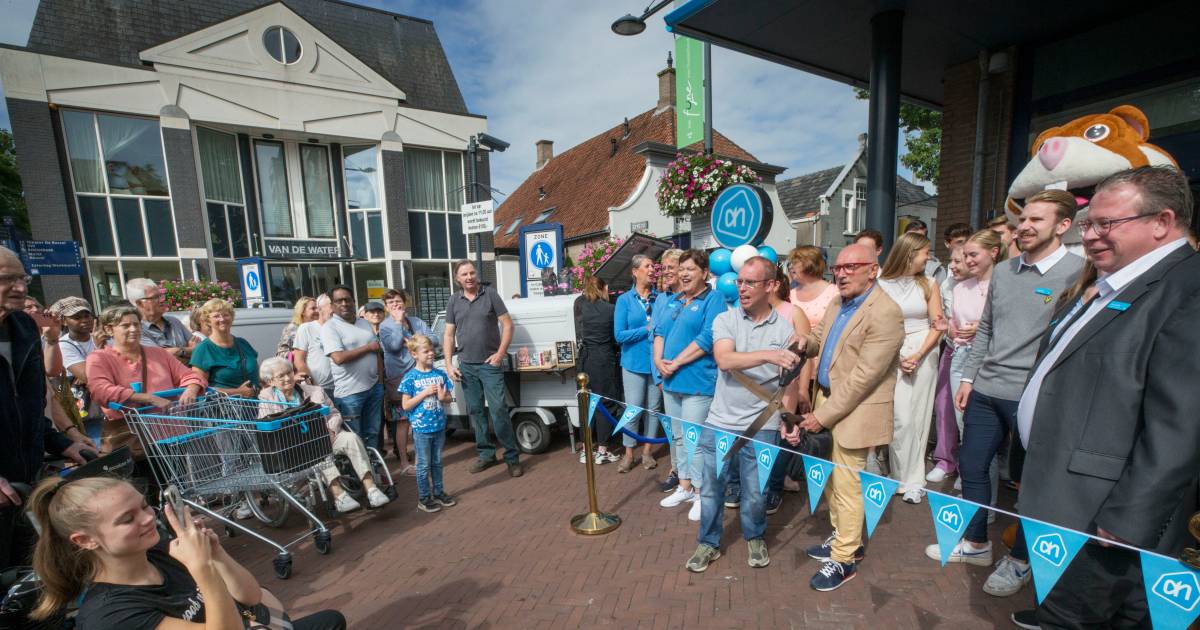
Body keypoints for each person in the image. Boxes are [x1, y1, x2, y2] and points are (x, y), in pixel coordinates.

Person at [1017, 166, 1200, 629]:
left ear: (1162, 222)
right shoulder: (1116, 282)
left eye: (1106, 224)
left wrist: (1127, 521)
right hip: (1068, 502)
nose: (1092, 237)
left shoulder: (1187, 289)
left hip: (1103, 522)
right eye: (1087, 225)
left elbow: (1180, 424)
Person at [929, 189, 1083, 599]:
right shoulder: (1003, 271)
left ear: (1063, 226)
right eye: (1022, 221)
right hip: (985, 389)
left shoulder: (1079, 272)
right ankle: (977, 543)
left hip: (1033, 395)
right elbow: (986, 330)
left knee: (1030, 482)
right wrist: (967, 380)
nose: (1025, 227)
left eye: (1037, 220)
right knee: (973, 466)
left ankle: (1020, 560)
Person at [26, 475, 346, 629]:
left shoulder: (162, 553)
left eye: (144, 506)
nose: (148, 518)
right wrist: (203, 568)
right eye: (128, 519)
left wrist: (216, 552)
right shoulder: (111, 616)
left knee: (330, 620)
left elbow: (252, 596)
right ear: (84, 541)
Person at [791, 243, 904, 592]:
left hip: (853, 409)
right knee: (828, 479)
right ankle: (842, 536)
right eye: (837, 267)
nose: (840, 273)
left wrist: (821, 416)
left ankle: (844, 560)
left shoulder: (885, 312)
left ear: (873, 269)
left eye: (851, 266)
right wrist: (803, 343)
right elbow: (821, 339)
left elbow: (863, 379)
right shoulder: (839, 302)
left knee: (848, 486)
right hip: (826, 396)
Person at [684, 256, 801, 573]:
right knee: (711, 490)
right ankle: (708, 543)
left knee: (755, 492)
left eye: (751, 282)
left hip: (763, 425)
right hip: (719, 423)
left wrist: (789, 419)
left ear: (771, 286)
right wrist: (770, 354)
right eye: (740, 281)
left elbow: (790, 383)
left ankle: (755, 536)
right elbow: (725, 359)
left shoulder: (786, 328)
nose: (743, 288)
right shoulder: (726, 319)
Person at [0, 248, 94, 569]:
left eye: (22, 278)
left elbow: (28, 411)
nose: (20, 287)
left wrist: (65, 443)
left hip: (25, 482)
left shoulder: (23, 329)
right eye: (6, 279)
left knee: (35, 572)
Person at [86, 303, 204, 497]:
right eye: (125, 325)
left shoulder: (157, 354)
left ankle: (172, 524)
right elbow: (101, 391)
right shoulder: (99, 358)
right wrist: (147, 398)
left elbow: (188, 375)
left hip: (169, 433)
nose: (133, 329)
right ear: (109, 329)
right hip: (133, 437)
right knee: (144, 493)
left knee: (174, 491)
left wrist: (191, 388)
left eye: (136, 324)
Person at [257, 357, 389, 513]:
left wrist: (331, 430)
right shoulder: (267, 400)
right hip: (295, 449)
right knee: (317, 450)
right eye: (281, 376)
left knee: (350, 438)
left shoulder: (314, 391)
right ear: (271, 381)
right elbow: (265, 428)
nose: (287, 378)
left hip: (327, 436)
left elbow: (334, 413)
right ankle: (339, 496)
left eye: (289, 373)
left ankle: (371, 489)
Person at [655, 250, 726, 522]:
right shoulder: (674, 300)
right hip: (671, 381)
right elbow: (659, 332)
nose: (683, 274)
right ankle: (684, 485)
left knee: (696, 439)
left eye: (690, 269)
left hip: (697, 382)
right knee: (679, 437)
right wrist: (659, 361)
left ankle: (701, 491)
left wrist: (676, 363)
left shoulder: (714, 298)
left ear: (704, 272)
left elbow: (708, 338)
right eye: (681, 269)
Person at [877, 232, 945, 504]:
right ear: (909, 253)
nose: (928, 257)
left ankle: (914, 480)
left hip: (924, 351)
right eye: (924, 252)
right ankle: (899, 474)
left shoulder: (929, 283)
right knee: (898, 417)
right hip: (891, 351)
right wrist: (895, 355)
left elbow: (938, 325)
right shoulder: (880, 284)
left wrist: (918, 354)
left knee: (918, 416)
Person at [442, 260, 521, 477]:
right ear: (457, 279)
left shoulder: (490, 295)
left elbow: (508, 325)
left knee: (498, 410)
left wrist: (500, 353)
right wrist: (449, 364)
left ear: (476, 274)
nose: (469, 277)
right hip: (466, 365)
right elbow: (449, 335)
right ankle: (486, 455)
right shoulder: (453, 301)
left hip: (489, 365)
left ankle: (512, 457)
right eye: (464, 274)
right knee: (476, 412)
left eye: (471, 272)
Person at [759, 264, 813, 514]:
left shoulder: (794, 312)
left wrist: (803, 390)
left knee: (782, 436)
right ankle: (758, 484)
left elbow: (806, 355)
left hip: (787, 387)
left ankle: (774, 488)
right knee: (760, 437)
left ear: (774, 284)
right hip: (757, 387)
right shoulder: (751, 312)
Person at [321, 285, 385, 451]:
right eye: (339, 301)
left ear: (354, 301)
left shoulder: (364, 323)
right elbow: (338, 358)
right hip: (350, 394)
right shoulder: (330, 327)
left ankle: (375, 471)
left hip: (374, 388)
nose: (344, 303)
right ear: (332, 306)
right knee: (355, 438)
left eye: (347, 299)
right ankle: (360, 475)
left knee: (373, 433)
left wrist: (380, 382)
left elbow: (377, 351)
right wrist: (368, 348)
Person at [399, 334, 457, 514]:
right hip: (421, 429)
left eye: (432, 350)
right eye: (426, 351)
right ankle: (424, 498)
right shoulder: (410, 377)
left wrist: (443, 397)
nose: (431, 354)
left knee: (437, 462)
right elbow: (405, 405)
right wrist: (424, 393)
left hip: (439, 427)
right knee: (423, 465)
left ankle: (439, 492)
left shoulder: (440, 374)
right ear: (414, 354)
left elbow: (448, 398)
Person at [613, 254, 661, 471]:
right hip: (633, 363)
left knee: (654, 409)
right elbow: (619, 335)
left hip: (656, 362)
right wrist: (646, 330)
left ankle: (648, 452)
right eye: (647, 266)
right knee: (633, 409)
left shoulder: (659, 298)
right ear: (635, 271)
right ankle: (629, 453)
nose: (652, 269)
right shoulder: (624, 300)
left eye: (653, 266)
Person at [379, 289, 434, 472]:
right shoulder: (386, 326)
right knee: (402, 421)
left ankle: (421, 460)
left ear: (404, 301)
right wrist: (397, 322)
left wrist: (411, 341)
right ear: (387, 308)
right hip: (400, 381)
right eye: (390, 303)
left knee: (421, 418)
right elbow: (393, 345)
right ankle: (404, 462)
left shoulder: (416, 322)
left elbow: (434, 340)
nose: (395, 305)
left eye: (397, 301)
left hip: (422, 377)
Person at [574, 275, 622, 466]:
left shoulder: (580, 307)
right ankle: (602, 449)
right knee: (606, 403)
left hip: (585, 359)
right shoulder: (610, 309)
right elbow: (615, 338)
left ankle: (586, 450)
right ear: (605, 288)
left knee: (586, 404)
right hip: (604, 358)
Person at [652, 248, 684, 492]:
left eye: (671, 267)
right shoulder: (661, 299)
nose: (666, 272)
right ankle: (676, 470)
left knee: (691, 429)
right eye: (664, 268)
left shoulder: (693, 296)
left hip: (690, 373)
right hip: (666, 375)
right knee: (674, 429)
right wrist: (657, 375)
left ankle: (694, 476)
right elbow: (654, 336)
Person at [49, 297, 101, 442]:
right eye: (77, 317)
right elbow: (88, 376)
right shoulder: (64, 345)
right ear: (64, 321)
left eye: (87, 315)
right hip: (89, 413)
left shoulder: (102, 336)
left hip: (111, 407)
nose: (84, 320)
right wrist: (99, 349)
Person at [189, 299, 258, 399]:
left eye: (226, 315)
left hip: (255, 408)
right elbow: (200, 388)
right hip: (224, 410)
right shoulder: (203, 349)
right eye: (216, 316)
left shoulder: (243, 343)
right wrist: (238, 392)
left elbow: (257, 374)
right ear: (208, 321)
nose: (222, 319)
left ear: (231, 317)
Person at [125, 278, 193, 361]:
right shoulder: (136, 329)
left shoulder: (174, 321)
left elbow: (200, 349)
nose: (162, 300)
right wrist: (186, 350)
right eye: (155, 297)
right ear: (139, 303)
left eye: (160, 295)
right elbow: (157, 357)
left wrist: (178, 351)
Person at [293, 294, 333, 396]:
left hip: (342, 387)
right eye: (331, 306)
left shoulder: (337, 326)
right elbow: (299, 360)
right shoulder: (305, 328)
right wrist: (313, 386)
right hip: (320, 388)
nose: (333, 310)